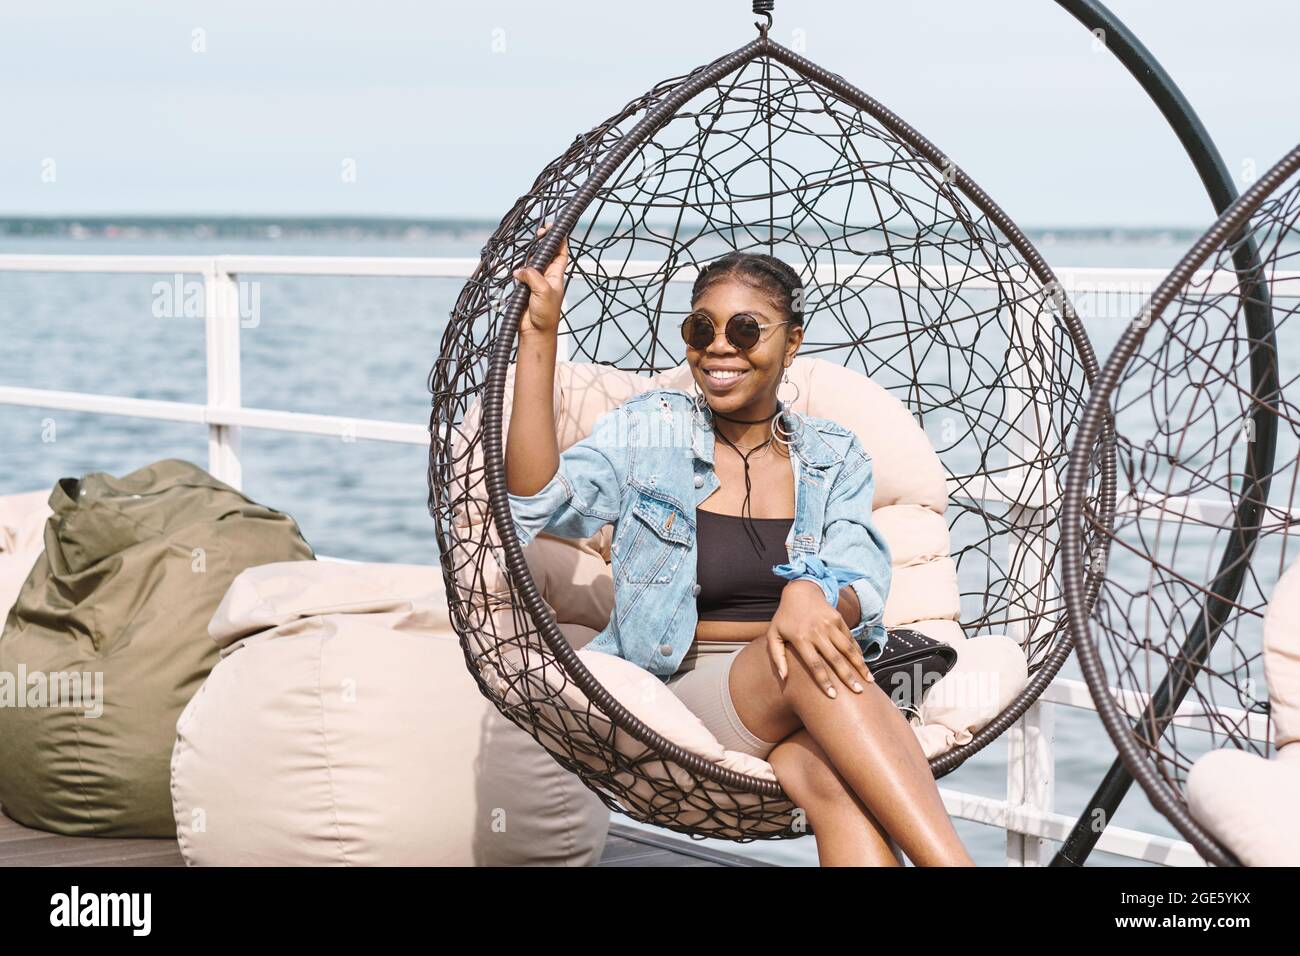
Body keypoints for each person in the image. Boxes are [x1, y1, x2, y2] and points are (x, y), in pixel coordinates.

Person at [506, 224, 973, 866]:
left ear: (792, 343)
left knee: (834, 784)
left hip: (815, 689)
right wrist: (541, 335)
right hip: (692, 685)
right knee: (809, 657)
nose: (720, 348)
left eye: (746, 330)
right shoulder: (652, 432)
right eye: (702, 329)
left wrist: (814, 593)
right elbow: (535, 500)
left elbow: (859, 571)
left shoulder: (833, 454)